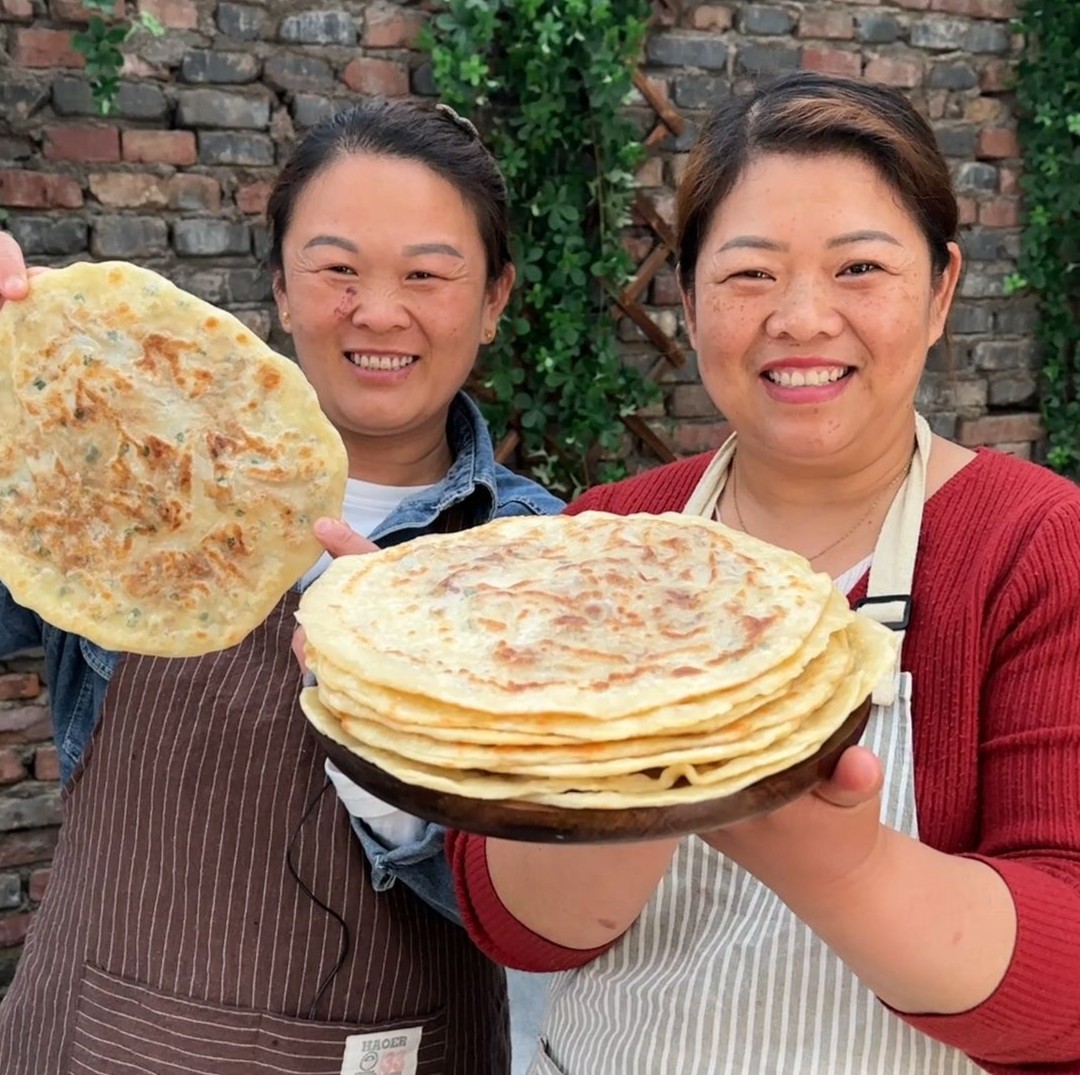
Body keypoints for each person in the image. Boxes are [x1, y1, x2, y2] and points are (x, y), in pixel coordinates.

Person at [432, 74, 1080, 1073]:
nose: (804, 318)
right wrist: (630, 774)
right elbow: (516, 927)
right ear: (688, 300)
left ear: (942, 289)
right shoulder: (609, 536)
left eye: (860, 266)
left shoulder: (1037, 544)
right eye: (750, 275)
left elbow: (1063, 984)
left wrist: (846, 869)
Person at [0, 97, 562, 1075]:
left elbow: (531, 900)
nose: (378, 312)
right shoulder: (122, 480)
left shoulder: (540, 554)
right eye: (337, 269)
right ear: (283, 289)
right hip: (96, 1047)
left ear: (494, 299)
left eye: (427, 275)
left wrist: (391, 720)